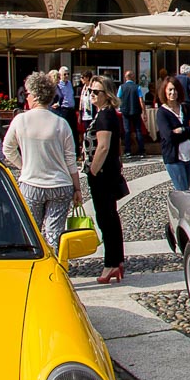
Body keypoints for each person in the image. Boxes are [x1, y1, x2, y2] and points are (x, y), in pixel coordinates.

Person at [3, 71, 86, 249]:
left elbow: (7, 149)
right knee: (54, 233)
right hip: (59, 184)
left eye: (27, 94)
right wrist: (77, 188)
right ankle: (55, 266)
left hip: (31, 182)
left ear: (34, 95)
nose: (27, 97)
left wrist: (24, 165)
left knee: (32, 232)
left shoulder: (20, 120)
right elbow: (71, 160)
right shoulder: (61, 123)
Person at [85, 78, 128, 285]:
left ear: (107, 94)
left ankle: (111, 263)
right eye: (90, 91)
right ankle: (116, 260)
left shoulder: (105, 116)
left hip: (102, 175)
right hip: (108, 172)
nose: (92, 94)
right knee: (110, 218)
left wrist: (92, 171)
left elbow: (103, 147)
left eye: (96, 91)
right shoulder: (106, 115)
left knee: (106, 219)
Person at [155, 75, 190, 192]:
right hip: (174, 157)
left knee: (187, 190)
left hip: (189, 155)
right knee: (183, 191)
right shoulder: (162, 113)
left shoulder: (185, 108)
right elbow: (168, 136)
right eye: (170, 89)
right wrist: (187, 128)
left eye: (175, 89)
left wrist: (182, 130)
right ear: (165, 91)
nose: (173, 92)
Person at [118, 74, 146, 156]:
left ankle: (128, 151)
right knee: (138, 130)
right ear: (133, 77)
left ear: (125, 78)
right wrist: (144, 111)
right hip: (136, 110)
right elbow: (141, 100)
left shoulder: (121, 87)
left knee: (127, 131)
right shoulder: (137, 87)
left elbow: (118, 98)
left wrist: (120, 107)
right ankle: (141, 150)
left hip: (125, 111)